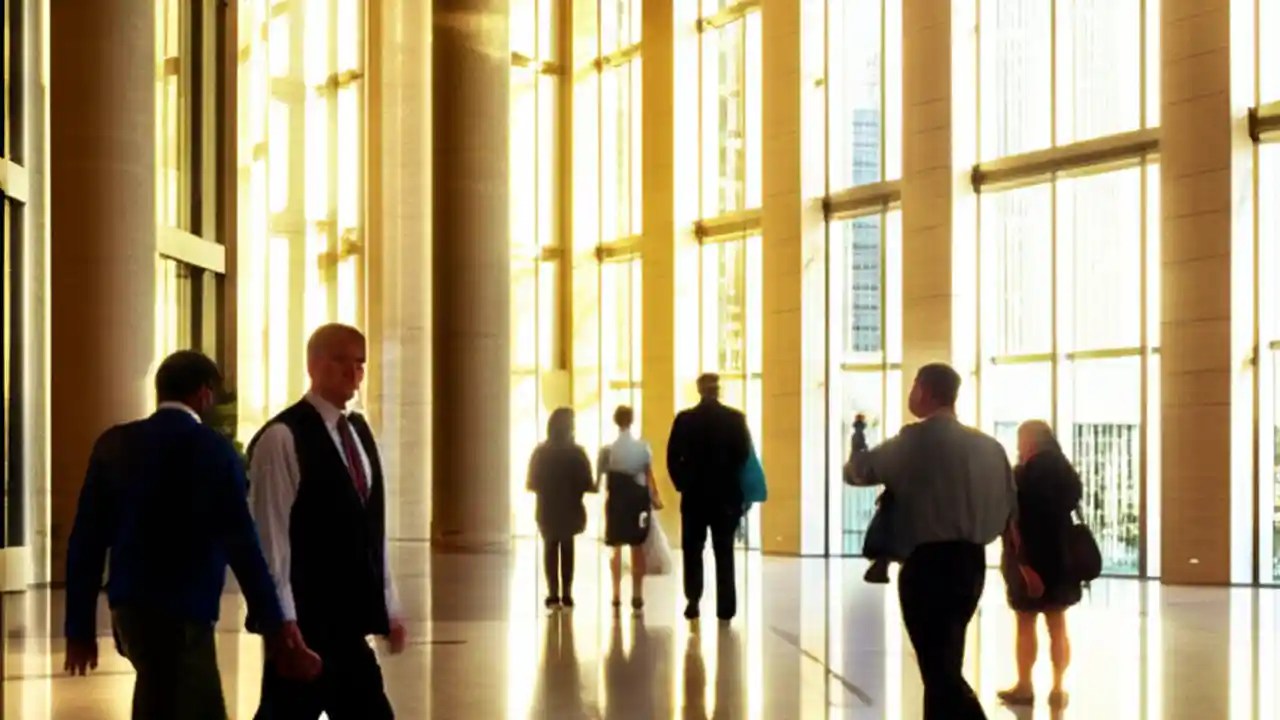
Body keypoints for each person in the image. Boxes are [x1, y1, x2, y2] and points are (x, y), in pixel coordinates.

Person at [63, 350, 320, 719]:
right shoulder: (214, 451)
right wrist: (276, 624)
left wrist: (79, 628)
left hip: (130, 610)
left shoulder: (115, 445)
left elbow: (86, 542)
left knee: (158, 697)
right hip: (186, 613)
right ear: (204, 394)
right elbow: (243, 545)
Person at [248, 323, 407, 719]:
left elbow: (372, 530)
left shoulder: (358, 432)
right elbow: (273, 540)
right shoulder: (283, 437)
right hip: (305, 623)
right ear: (313, 364)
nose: (352, 373)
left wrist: (389, 605)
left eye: (360, 364)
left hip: (348, 622)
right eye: (340, 361)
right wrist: (283, 623)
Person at [845, 363, 1015, 720]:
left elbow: (858, 472)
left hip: (927, 568)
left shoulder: (913, 441)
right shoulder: (989, 447)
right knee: (945, 658)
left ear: (924, 389)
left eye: (913, 386)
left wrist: (857, 440)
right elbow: (1008, 508)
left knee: (939, 672)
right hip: (972, 565)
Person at [998, 420, 1083, 710]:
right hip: (1061, 559)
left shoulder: (1021, 476)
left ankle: (1024, 685)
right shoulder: (1067, 473)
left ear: (1030, 442)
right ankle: (1059, 687)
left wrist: (1024, 566)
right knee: (1057, 624)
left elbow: (1015, 523)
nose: (1019, 447)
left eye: (1020, 441)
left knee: (1025, 623)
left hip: (1028, 559)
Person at [667, 373, 752, 622]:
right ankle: (726, 607)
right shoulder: (735, 419)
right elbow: (743, 455)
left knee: (692, 550)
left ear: (699, 390)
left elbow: (673, 457)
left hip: (694, 496)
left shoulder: (685, 420)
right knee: (724, 550)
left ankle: (693, 600)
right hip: (725, 496)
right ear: (718, 391)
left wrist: (683, 483)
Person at [527, 407, 596, 610]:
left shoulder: (540, 452)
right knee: (567, 549)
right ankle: (567, 594)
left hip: (547, 508)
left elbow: (532, 482)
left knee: (550, 549)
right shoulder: (577, 452)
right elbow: (587, 483)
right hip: (570, 508)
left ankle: (552, 594)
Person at [599, 405, 663, 612]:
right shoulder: (643, 448)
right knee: (637, 547)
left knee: (616, 548)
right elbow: (648, 475)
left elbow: (599, 479)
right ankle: (637, 595)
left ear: (615, 421)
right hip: (637, 502)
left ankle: (616, 594)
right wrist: (655, 497)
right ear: (632, 421)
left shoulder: (607, 451)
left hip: (617, 502)